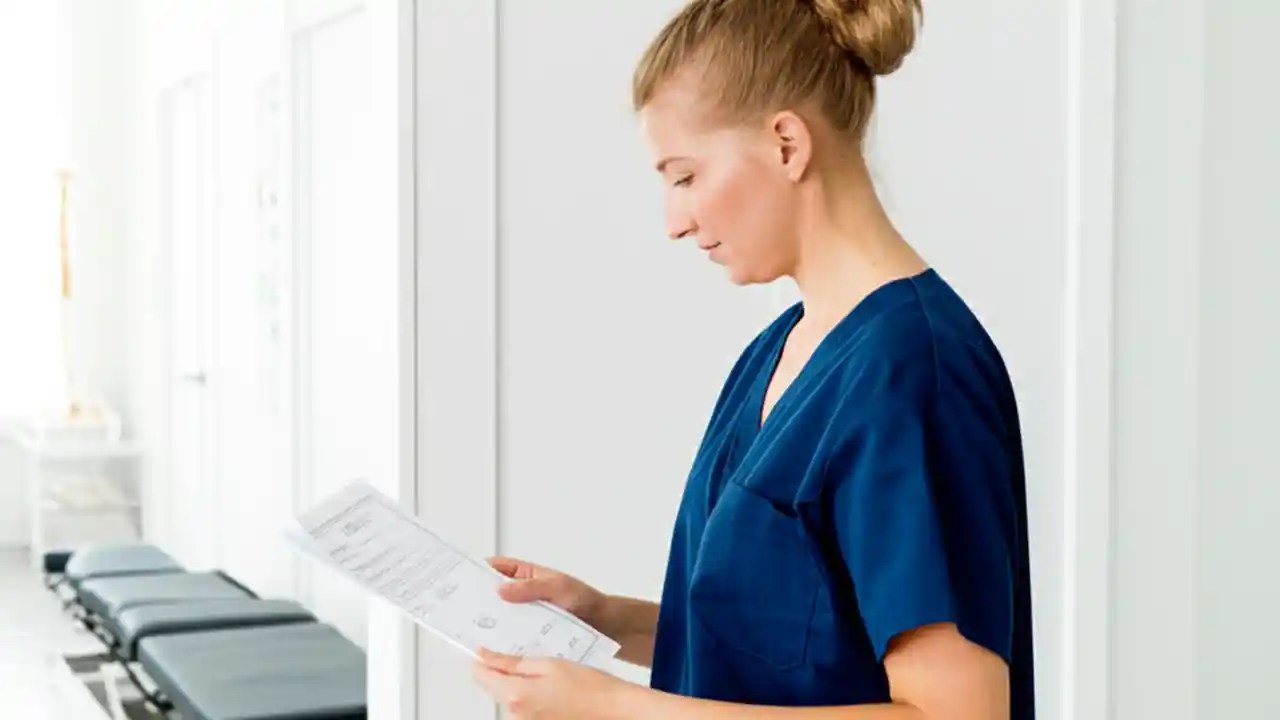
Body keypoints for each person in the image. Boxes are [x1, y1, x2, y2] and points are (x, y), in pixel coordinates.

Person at [471, 0, 1034, 718]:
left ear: (787, 145)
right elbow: (793, 646)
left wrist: (620, 709)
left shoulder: (915, 374)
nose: (675, 222)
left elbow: (954, 714)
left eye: (685, 177)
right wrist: (607, 618)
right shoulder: (779, 352)